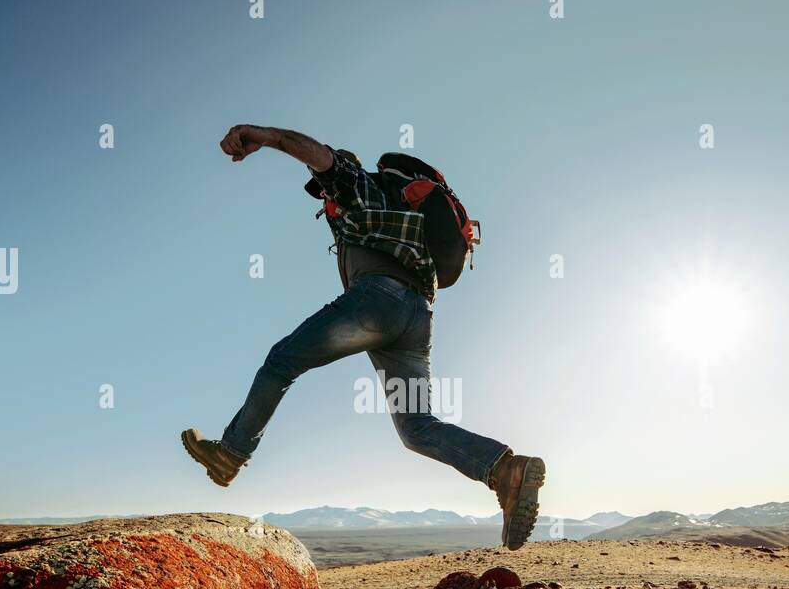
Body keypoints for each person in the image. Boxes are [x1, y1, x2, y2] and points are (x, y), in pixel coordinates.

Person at [182, 124, 545, 550]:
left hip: (378, 301)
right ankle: (504, 469)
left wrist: (263, 135)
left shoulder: (355, 184)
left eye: (323, 191)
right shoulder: (399, 207)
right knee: (417, 427)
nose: (324, 200)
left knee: (282, 361)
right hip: (416, 317)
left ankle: (230, 453)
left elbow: (317, 156)